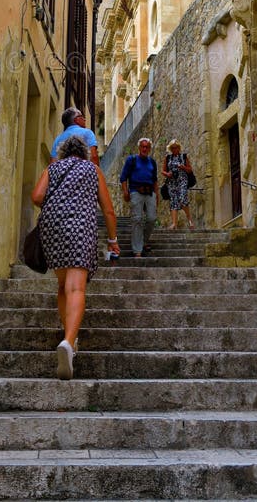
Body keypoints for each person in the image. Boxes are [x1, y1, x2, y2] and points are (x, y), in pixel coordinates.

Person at [31, 135, 119, 380]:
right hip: (80, 227)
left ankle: (70, 337)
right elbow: (108, 209)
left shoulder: (53, 167)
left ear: (63, 152)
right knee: (76, 288)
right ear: (86, 153)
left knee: (62, 285)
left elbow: (37, 197)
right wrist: (112, 240)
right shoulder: (92, 169)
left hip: (52, 225)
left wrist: (57, 205)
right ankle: (68, 343)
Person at [120, 137, 159, 258]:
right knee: (137, 219)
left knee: (152, 219)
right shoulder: (131, 160)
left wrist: (157, 195)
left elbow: (155, 180)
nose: (144, 149)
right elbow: (123, 177)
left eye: (147, 147)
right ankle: (137, 250)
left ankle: (143, 241)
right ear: (139, 147)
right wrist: (126, 192)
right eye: (143, 146)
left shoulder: (152, 162)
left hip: (150, 192)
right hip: (136, 191)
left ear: (149, 148)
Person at [161, 139, 195, 230]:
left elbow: (190, 169)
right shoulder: (167, 158)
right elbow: (163, 171)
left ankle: (190, 219)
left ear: (179, 148)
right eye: (172, 148)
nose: (174, 149)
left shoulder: (184, 157)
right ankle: (174, 224)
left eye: (176, 147)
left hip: (182, 180)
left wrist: (183, 167)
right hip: (171, 182)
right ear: (171, 149)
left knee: (183, 198)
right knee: (173, 202)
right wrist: (167, 174)